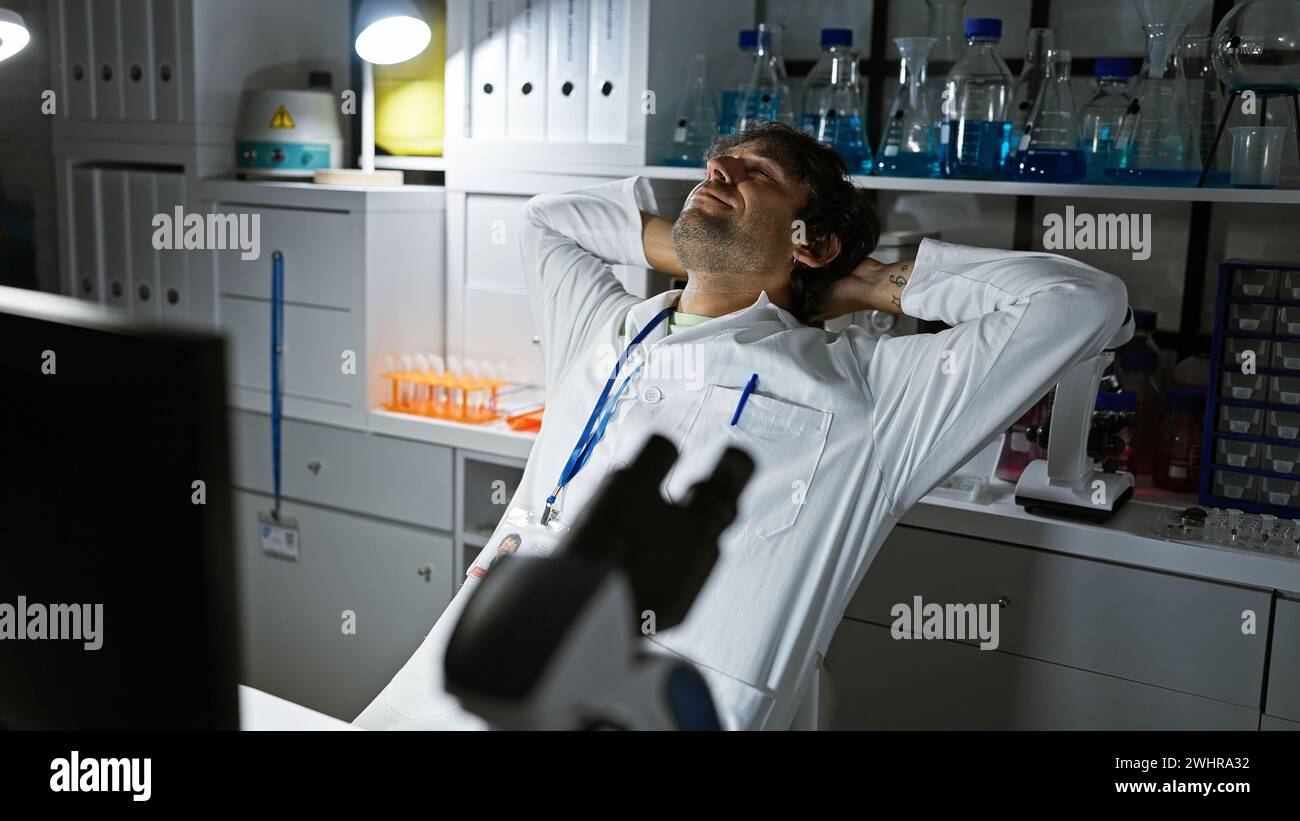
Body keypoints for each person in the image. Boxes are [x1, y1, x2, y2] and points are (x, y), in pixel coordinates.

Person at [354, 122, 1129, 731]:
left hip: (655, 708)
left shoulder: (872, 395)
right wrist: (699, 247)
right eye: (715, 166)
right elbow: (545, 223)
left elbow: (1081, 303)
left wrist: (863, 285)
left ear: (812, 240)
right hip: (464, 681)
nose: (717, 172)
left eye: (756, 173)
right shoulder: (601, 327)